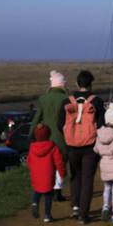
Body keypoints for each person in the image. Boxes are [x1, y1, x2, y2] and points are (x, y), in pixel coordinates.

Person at [63, 70, 104, 223]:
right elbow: (101, 124)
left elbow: (60, 123)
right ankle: (83, 214)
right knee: (87, 179)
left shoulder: (67, 102)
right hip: (90, 146)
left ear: (77, 83)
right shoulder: (96, 101)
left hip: (71, 146)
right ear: (91, 84)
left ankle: (75, 207)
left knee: (75, 176)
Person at [28, 71, 70, 201]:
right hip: (62, 136)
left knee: (48, 164)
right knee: (60, 163)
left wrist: (31, 134)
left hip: (45, 137)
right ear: (62, 84)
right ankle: (58, 190)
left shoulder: (43, 99)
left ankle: (48, 190)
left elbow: (36, 118)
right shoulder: (66, 99)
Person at [27, 123, 65, 223]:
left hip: (36, 175)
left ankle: (35, 203)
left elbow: (29, 161)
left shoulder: (32, 148)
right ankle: (47, 215)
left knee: (37, 191)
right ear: (48, 134)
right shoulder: (53, 147)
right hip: (48, 175)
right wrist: (62, 173)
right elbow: (59, 161)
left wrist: (32, 170)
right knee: (48, 195)